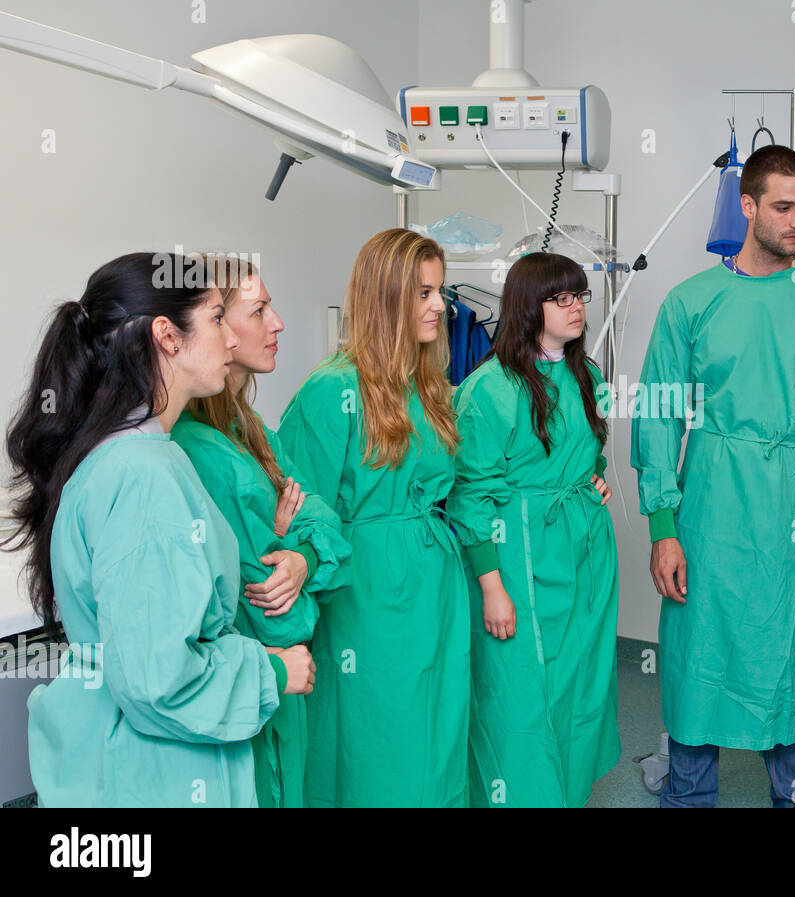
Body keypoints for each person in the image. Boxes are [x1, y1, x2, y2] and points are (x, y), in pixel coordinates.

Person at [5, 252, 314, 807]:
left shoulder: (125, 455)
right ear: (168, 337)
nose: (230, 337)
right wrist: (271, 672)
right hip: (156, 773)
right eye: (218, 319)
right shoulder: (143, 476)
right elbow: (159, 680)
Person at [630, 145, 795, 808]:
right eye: (783, 206)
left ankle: (792, 796)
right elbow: (657, 419)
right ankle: (688, 796)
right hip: (710, 508)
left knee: (789, 661)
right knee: (696, 664)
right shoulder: (692, 303)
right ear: (746, 206)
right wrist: (662, 526)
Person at [278, 229, 470, 807]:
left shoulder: (430, 385)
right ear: (384, 296)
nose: (440, 305)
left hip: (433, 586)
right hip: (365, 594)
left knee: (438, 730)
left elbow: (466, 479)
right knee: (378, 738)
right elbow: (300, 513)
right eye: (423, 293)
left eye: (440, 292)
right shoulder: (331, 391)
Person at [171, 255, 352, 808]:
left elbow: (321, 517)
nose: (278, 324)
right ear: (219, 327)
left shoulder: (246, 428)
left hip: (265, 684)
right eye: (260, 310)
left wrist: (298, 554)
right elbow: (269, 603)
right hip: (249, 679)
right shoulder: (203, 450)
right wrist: (289, 554)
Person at [447, 252, 619, 808]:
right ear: (528, 306)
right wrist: (492, 586)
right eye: (560, 298)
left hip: (585, 553)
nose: (576, 308)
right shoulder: (489, 390)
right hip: (519, 556)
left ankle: (564, 796)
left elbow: (586, 455)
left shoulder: (586, 374)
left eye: (580, 296)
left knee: (578, 687)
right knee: (520, 696)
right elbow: (470, 495)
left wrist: (591, 482)